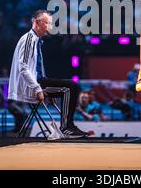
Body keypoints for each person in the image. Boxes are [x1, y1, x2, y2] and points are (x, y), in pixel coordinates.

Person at [7, 9, 88, 138]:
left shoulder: (36, 40)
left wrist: (48, 91)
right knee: (70, 88)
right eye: (47, 23)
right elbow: (23, 67)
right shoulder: (29, 39)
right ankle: (67, 127)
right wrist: (38, 89)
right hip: (32, 85)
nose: (50, 27)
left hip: (39, 81)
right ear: (38, 22)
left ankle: (68, 126)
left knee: (73, 86)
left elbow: (36, 69)